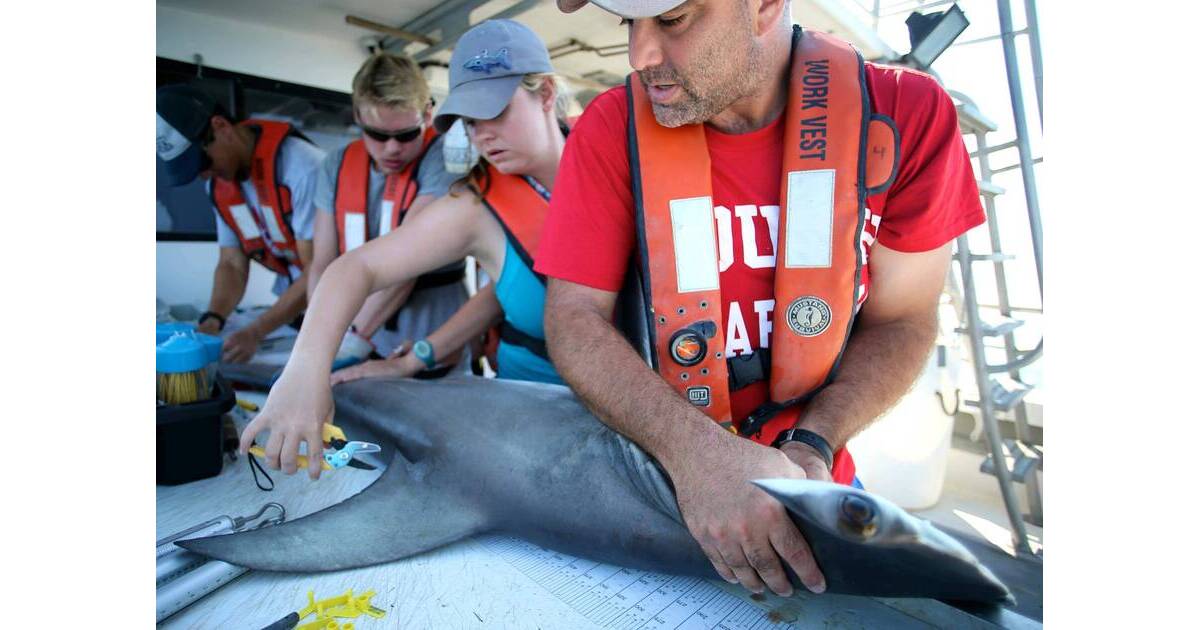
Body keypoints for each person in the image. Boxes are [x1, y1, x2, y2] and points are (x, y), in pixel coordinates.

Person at [538, 0, 985, 600]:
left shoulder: (908, 114)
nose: (639, 55)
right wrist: (696, 455)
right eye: (628, 23)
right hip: (656, 496)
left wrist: (814, 444)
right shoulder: (609, 127)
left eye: (671, 20)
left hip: (816, 501)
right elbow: (573, 316)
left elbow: (904, 317)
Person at [239, 18, 571, 476]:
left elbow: (513, 288)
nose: (482, 136)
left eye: (495, 112)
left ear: (547, 94)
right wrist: (305, 371)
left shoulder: (622, 166)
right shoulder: (473, 205)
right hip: (537, 415)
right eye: (470, 122)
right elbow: (356, 268)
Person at [309, 52, 471, 368]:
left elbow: (407, 262)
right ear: (358, 115)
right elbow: (322, 263)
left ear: (427, 115)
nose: (392, 148)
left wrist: (345, 342)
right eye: (378, 135)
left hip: (432, 335)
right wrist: (317, 336)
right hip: (358, 331)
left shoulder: (444, 161)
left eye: (407, 135)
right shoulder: (334, 166)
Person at [156, 85, 325, 362]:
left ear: (221, 126)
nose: (203, 175)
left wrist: (256, 332)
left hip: (344, 306)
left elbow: (318, 270)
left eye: (202, 162)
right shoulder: (217, 187)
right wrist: (213, 320)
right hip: (295, 310)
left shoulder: (303, 168)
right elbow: (232, 263)